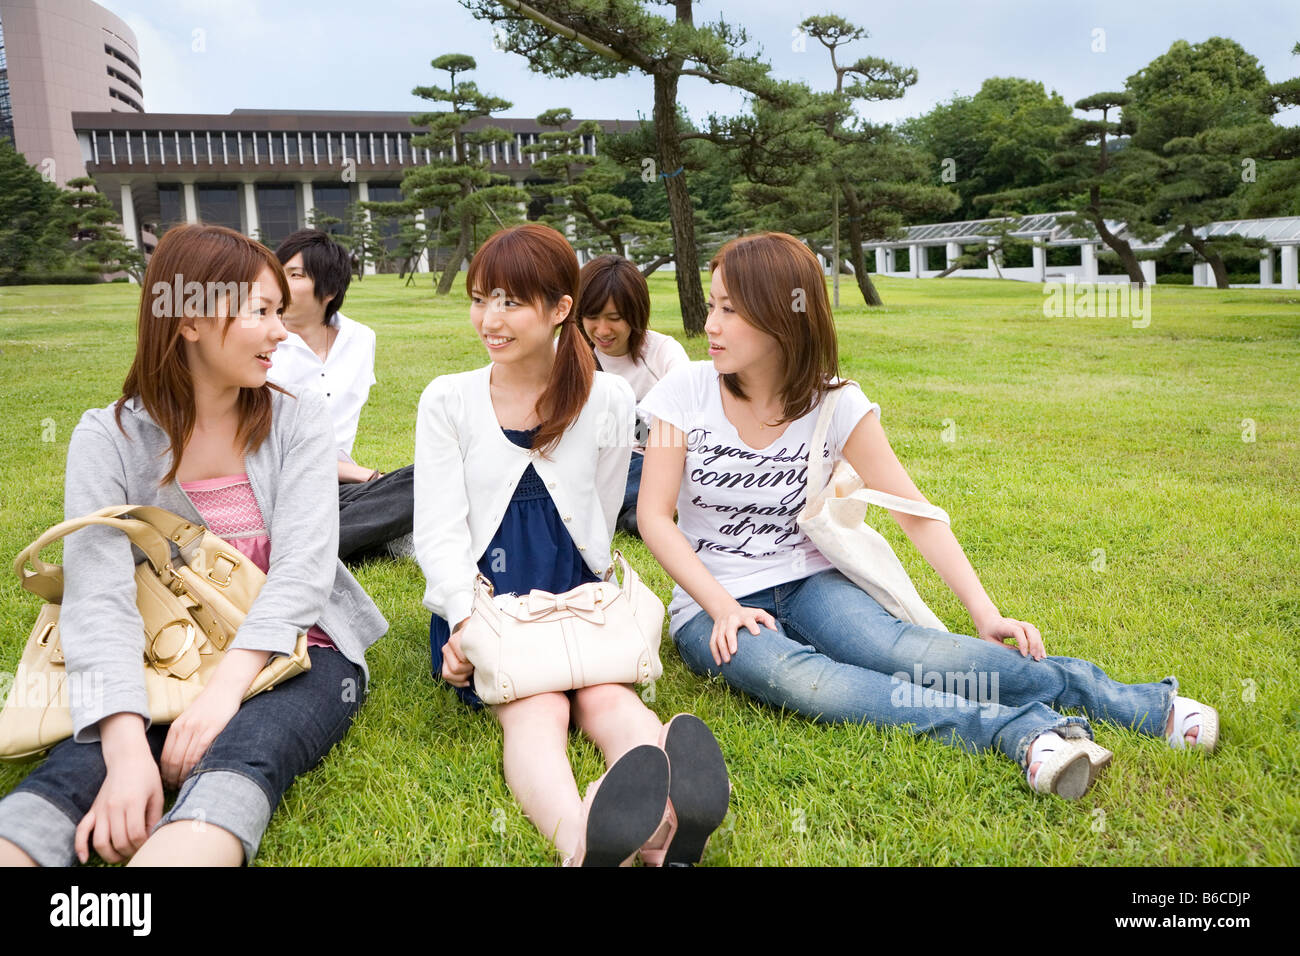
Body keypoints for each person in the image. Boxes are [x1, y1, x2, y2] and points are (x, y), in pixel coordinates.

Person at [636, 231, 1218, 800]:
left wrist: (984, 612)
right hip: (711, 602)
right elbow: (655, 517)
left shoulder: (836, 403)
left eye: (730, 310)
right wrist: (722, 606)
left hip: (811, 581)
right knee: (810, 684)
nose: (710, 324)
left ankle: (1139, 704)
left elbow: (915, 512)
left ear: (784, 316)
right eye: (713, 306)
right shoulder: (686, 391)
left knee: (906, 654)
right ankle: (1023, 734)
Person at [0, 224, 387, 866]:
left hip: (295, 648)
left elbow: (303, 571)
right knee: (73, 774)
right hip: (164, 650)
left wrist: (221, 694)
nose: (281, 332)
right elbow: (98, 599)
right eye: (260, 312)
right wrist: (126, 751)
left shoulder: (296, 420)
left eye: (279, 312)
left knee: (240, 759)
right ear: (189, 320)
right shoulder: (109, 437)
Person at [414, 223, 729, 865]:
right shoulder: (448, 399)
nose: (489, 319)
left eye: (510, 301)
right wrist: (461, 621)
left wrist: (595, 589)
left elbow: (603, 507)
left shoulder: (608, 397)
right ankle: (581, 841)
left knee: (608, 698)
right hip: (488, 603)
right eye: (480, 299)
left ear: (561, 310)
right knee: (537, 711)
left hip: (578, 591)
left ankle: (669, 827)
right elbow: (439, 530)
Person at [269, 228, 414, 561]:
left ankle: (327, 540)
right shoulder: (263, 345)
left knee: (425, 480)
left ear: (329, 289)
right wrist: (364, 476)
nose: (279, 284)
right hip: (283, 487)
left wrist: (360, 480)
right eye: (279, 274)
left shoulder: (361, 339)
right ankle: (356, 538)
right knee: (391, 495)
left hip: (339, 491)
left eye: (294, 275)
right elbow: (270, 452)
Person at [576, 255, 689, 536]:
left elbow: (693, 431)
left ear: (636, 314)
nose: (602, 330)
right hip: (591, 464)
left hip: (652, 465)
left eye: (614, 318)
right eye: (592, 317)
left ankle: (623, 507)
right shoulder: (566, 355)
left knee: (652, 476)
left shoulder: (664, 353)